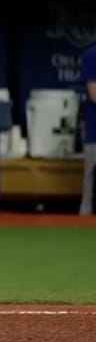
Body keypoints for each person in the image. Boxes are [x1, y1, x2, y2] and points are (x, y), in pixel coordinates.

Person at [82, 41, 96, 216]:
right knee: (91, 188)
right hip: (95, 134)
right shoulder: (93, 54)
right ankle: (83, 223)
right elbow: (94, 93)